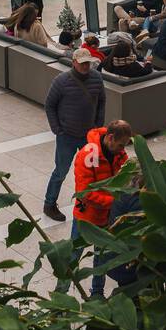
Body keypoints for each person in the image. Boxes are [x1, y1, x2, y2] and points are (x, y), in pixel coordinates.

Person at [69, 120, 133, 298]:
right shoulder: (87, 155)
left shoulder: (119, 154)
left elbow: (127, 175)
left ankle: (97, 294)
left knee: (101, 256)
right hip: (86, 217)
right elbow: (85, 193)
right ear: (110, 138)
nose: (123, 150)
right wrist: (116, 203)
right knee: (73, 256)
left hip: (107, 216)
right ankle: (61, 292)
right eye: (120, 145)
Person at [42, 48, 106, 222]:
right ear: (74, 63)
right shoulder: (61, 81)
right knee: (61, 171)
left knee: (92, 172)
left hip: (89, 137)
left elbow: (101, 102)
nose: (86, 66)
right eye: (82, 62)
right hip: (67, 136)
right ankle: (49, 203)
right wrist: (57, 129)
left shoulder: (97, 78)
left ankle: (91, 203)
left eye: (88, 62)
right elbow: (49, 105)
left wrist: (98, 127)